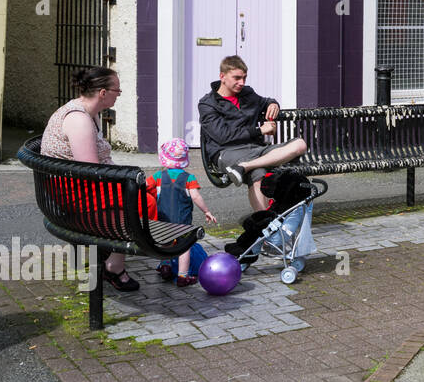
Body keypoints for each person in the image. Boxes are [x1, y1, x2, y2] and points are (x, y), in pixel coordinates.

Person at [41, 66, 153, 292]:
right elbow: (91, 171)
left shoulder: (90, 114)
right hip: (73, 192)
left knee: (147, 189)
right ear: (103, 93)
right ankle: (114, 265)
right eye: (117, 91)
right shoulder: (79, 120)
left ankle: (114, 252)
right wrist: (127, 181)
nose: (118, 95)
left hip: (77, 185)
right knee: (144, 201)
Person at [198, 56, 307, 212]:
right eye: (237, 78)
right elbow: (222, 136)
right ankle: (267, 226)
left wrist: (273, 104)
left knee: (300, 144)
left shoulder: (247, 94)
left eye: (244, 78)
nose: (242, 83)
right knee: (258, 175)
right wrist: (259, 130)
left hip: (255, 149)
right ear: (222, 76)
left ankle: (243, 167)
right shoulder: (208, 103)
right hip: (226, 152)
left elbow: (265, 101)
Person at [148, 138, 217, 286]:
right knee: (184, 247)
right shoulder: (189, 178)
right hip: (182, 222)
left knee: (165, 243)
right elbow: (196, 197)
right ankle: (182, 276)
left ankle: (165, 266)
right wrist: (207, 211)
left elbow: (144, 186)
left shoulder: (158, 176)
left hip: (163, 220)